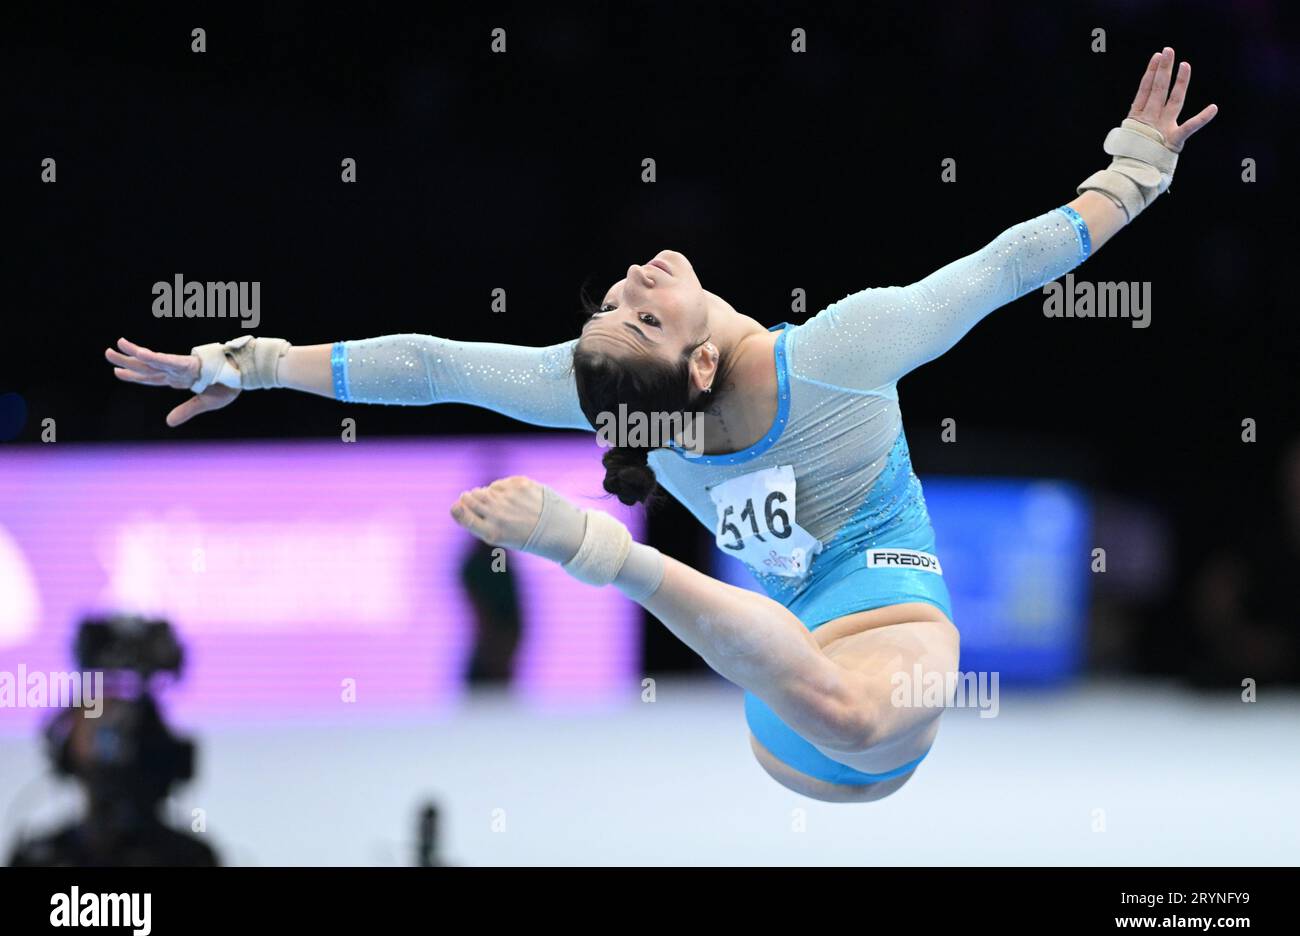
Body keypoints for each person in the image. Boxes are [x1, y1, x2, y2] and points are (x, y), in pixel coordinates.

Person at [106, 49, 1215, 802]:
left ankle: (606, 559)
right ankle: (604, 555)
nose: (630, 280)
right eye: (635, 310)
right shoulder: (827, 356)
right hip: (794, 682)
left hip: (853, 657)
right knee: (853, 705)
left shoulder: (608, 390)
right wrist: (1136, 171)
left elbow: (432, 364)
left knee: (866, 708)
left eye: (613, 301)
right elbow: (997, 270)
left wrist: (247, 362)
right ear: (689, 359)